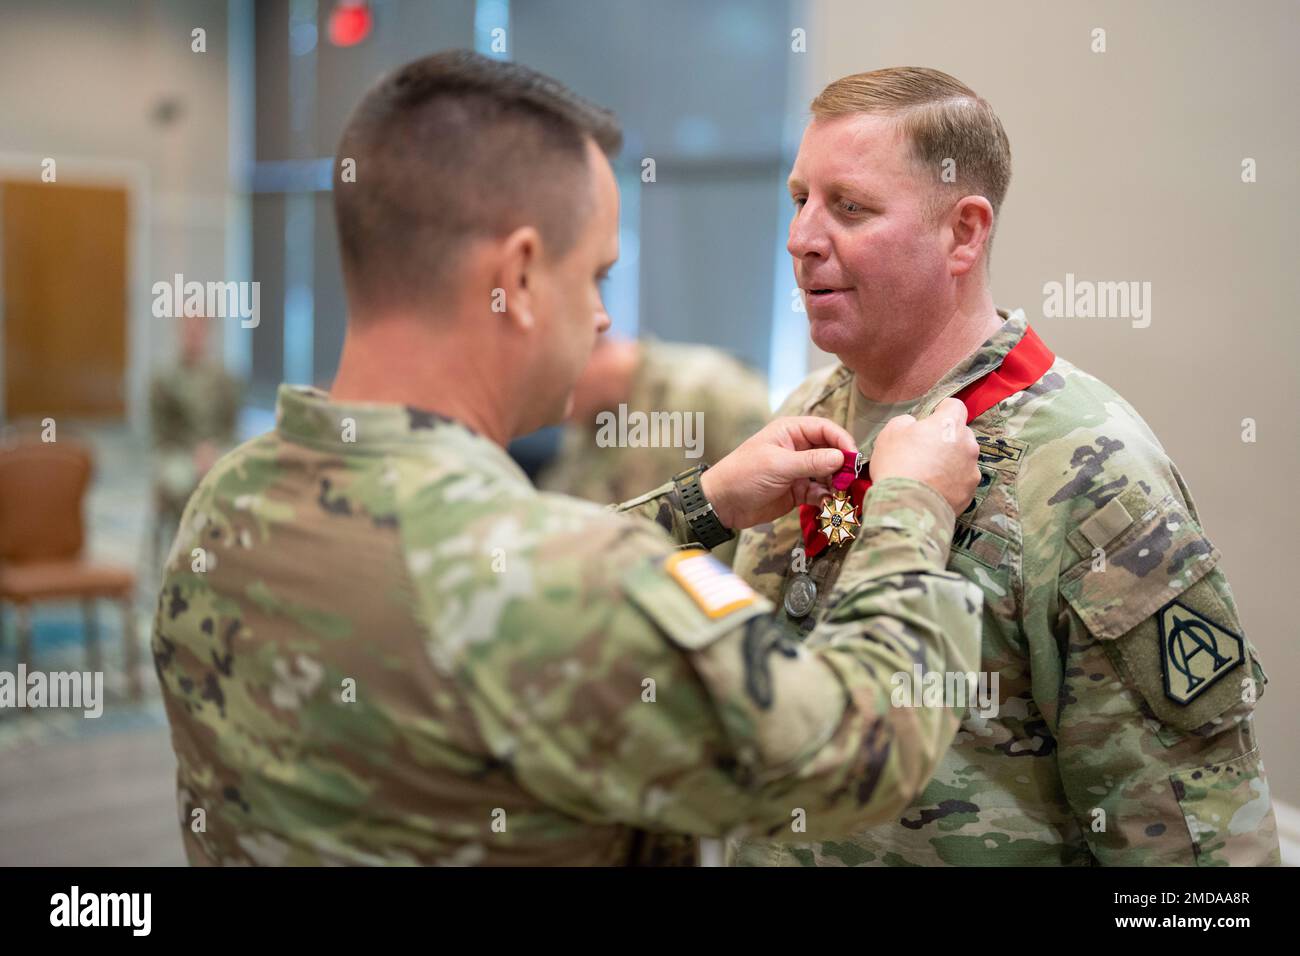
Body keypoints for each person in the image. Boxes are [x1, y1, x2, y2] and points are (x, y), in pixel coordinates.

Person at [151, 50, 985, 866]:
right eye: (595, 277)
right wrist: (913, 508)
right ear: (515, 276)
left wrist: (707, 503)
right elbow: (857, 752)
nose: (598, 320)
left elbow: (503, 565)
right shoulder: (578, 585)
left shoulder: (231, 500)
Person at [728, 67, 1278, 866]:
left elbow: (1198, 867)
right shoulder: (802, 418)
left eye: (849, 207)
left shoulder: (1092, 474)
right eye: (798, 198)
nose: (802, 237)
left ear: (964, 232)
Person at [535, 335, 771, 563]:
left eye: (549, 383)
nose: (550, 409)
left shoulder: (714, 387)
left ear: (587, 351)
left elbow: (762, 511)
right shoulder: (585, 421)